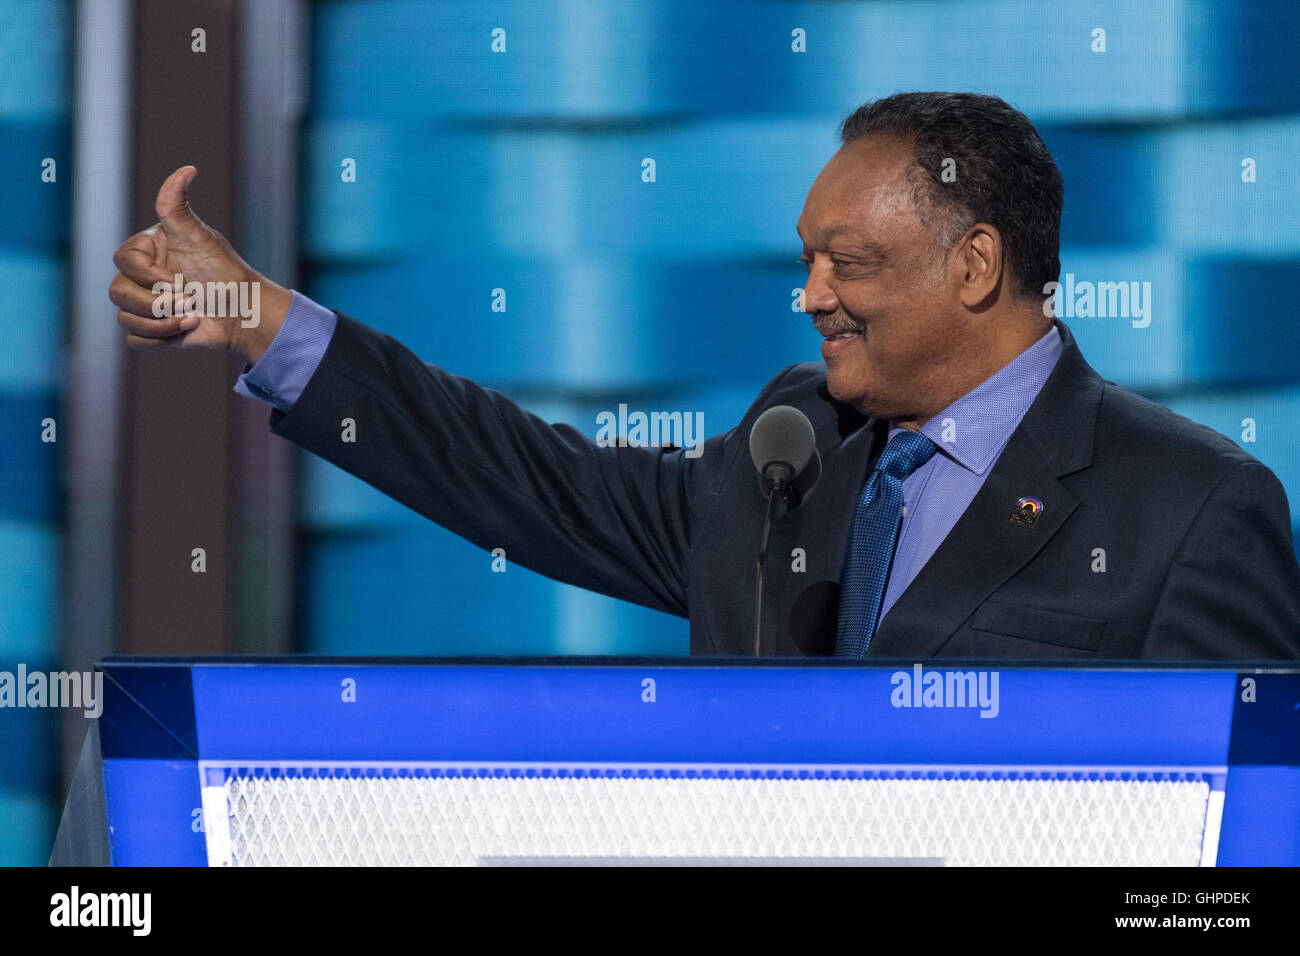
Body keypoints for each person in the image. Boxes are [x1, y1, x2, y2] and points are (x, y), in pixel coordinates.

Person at [108, 92, 1300, 659]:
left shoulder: (1189, 507)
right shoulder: (789, 457)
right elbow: (514, 474)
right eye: (806, 259)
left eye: (851, 262)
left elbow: (1242, 856)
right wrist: (262, 319)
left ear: (976, 265)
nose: (812, 293)